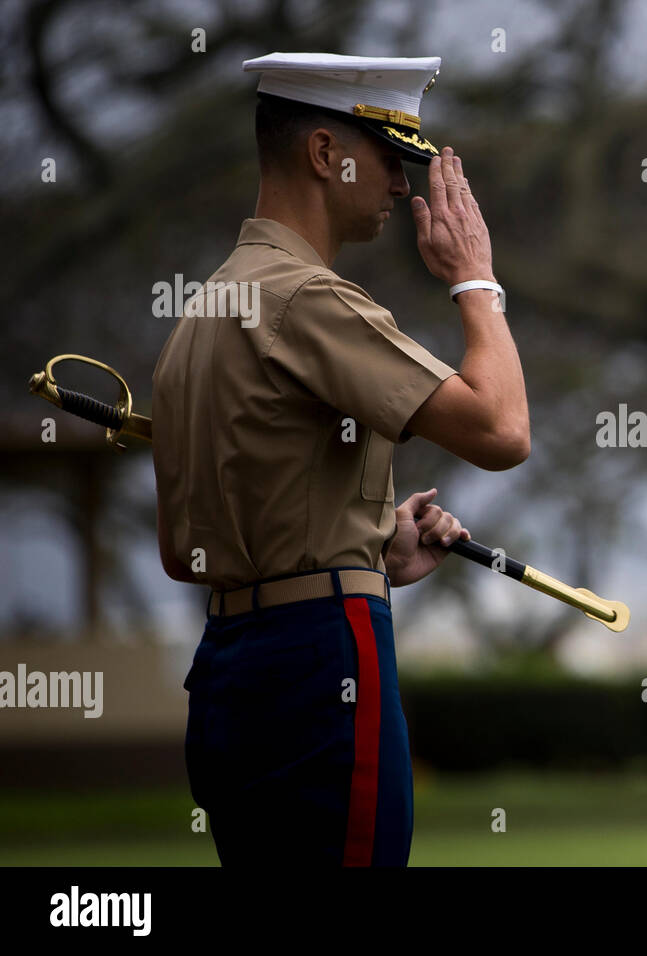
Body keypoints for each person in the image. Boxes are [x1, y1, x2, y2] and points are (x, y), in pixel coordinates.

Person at [152, 53, 530, 866]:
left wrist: (364, 541)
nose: (402, 185)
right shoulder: (305, 296)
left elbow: (187, 553)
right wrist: (476, 282)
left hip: (229, 669)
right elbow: (502, 430)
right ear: (326, 155)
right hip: (320, 661)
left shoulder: (205, 307)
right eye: (391, 158)